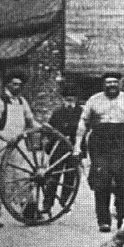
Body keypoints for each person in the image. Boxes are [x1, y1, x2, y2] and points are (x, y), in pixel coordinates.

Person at [72, 72, 124, 232]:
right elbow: (83, 123)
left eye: (115, 82)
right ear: (104, 84)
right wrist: (77, 145)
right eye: (108, 82)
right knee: (101, 182)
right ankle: (104, 220)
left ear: (120, 83)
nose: (112, 85)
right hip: (101, 143)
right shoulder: (94, 100)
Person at [0, 71, 39, 227]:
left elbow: (30, 121)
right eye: (14, 84)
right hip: (2, 146)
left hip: (20, 146)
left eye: (20, 84)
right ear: (7, 84)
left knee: (24, 177)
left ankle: (29, 214)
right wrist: (6, 138)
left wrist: (43, 128)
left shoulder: (21, 101)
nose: (17, 87)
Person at [42, 85, 83, 216]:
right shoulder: (58, 112)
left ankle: (65, 201)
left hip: (74, 147)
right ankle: (47, 205)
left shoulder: (81, 112)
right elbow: (49, 129)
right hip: (58, 147)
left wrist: (80, 148)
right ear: (63, 99)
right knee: (53, 176)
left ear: (76, 99)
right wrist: (51, 139)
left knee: (70, 176)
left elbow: (85, 131)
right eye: (67, 99)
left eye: (72, 99)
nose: (69, 101)